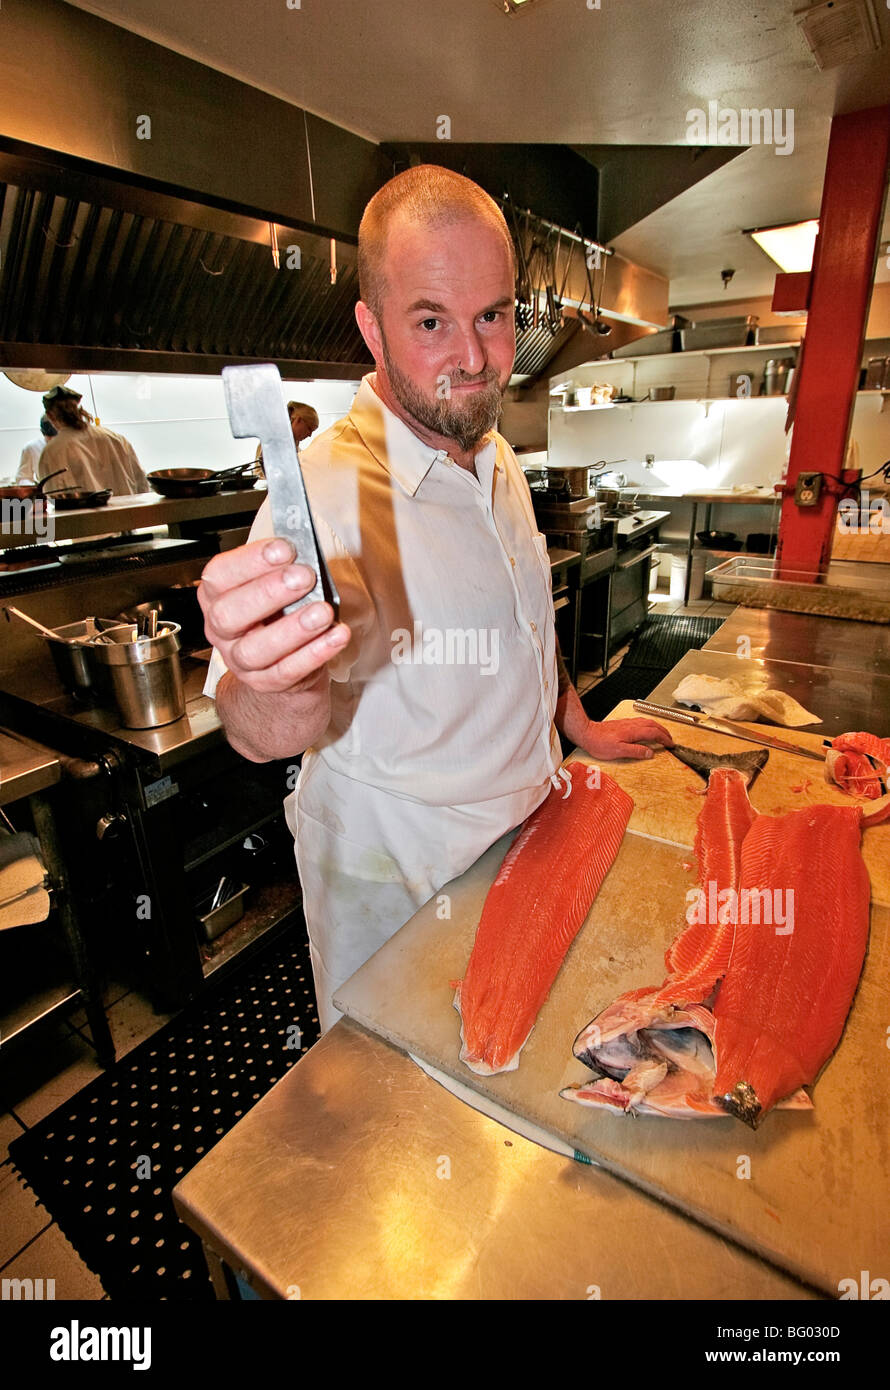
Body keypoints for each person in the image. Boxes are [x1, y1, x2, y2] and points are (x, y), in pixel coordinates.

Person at [199, 165, 671, 1032]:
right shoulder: (323, 497)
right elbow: (256, 729)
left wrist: (577, 724)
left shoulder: (494, 458)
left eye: (492, 315)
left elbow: (530, 628)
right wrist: (274, 685)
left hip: (530, 837)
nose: (474, 359)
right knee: (396, 1131)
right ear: (371, 329)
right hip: (399, 885)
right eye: (430, 322)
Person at [38, 386, 149, 495]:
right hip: (128, 511)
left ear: (50, 416)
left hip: (86, 513)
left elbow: (52, 495)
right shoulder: (115, 438)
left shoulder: (52, 451)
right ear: (78, 408)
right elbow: (142, 483)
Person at [253, 400, 319, 474]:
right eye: (309, 428)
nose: (310, 435)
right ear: (297, 420)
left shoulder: (295, 444)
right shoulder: (273, 441)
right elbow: (260, 474)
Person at [15, 415, 57, 484]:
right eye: (49, 436)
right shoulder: (32, 448)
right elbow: (23, 477)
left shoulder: (71, 444)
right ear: (41, 431)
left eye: (55, 435)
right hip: (45, 491)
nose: (52, 439)